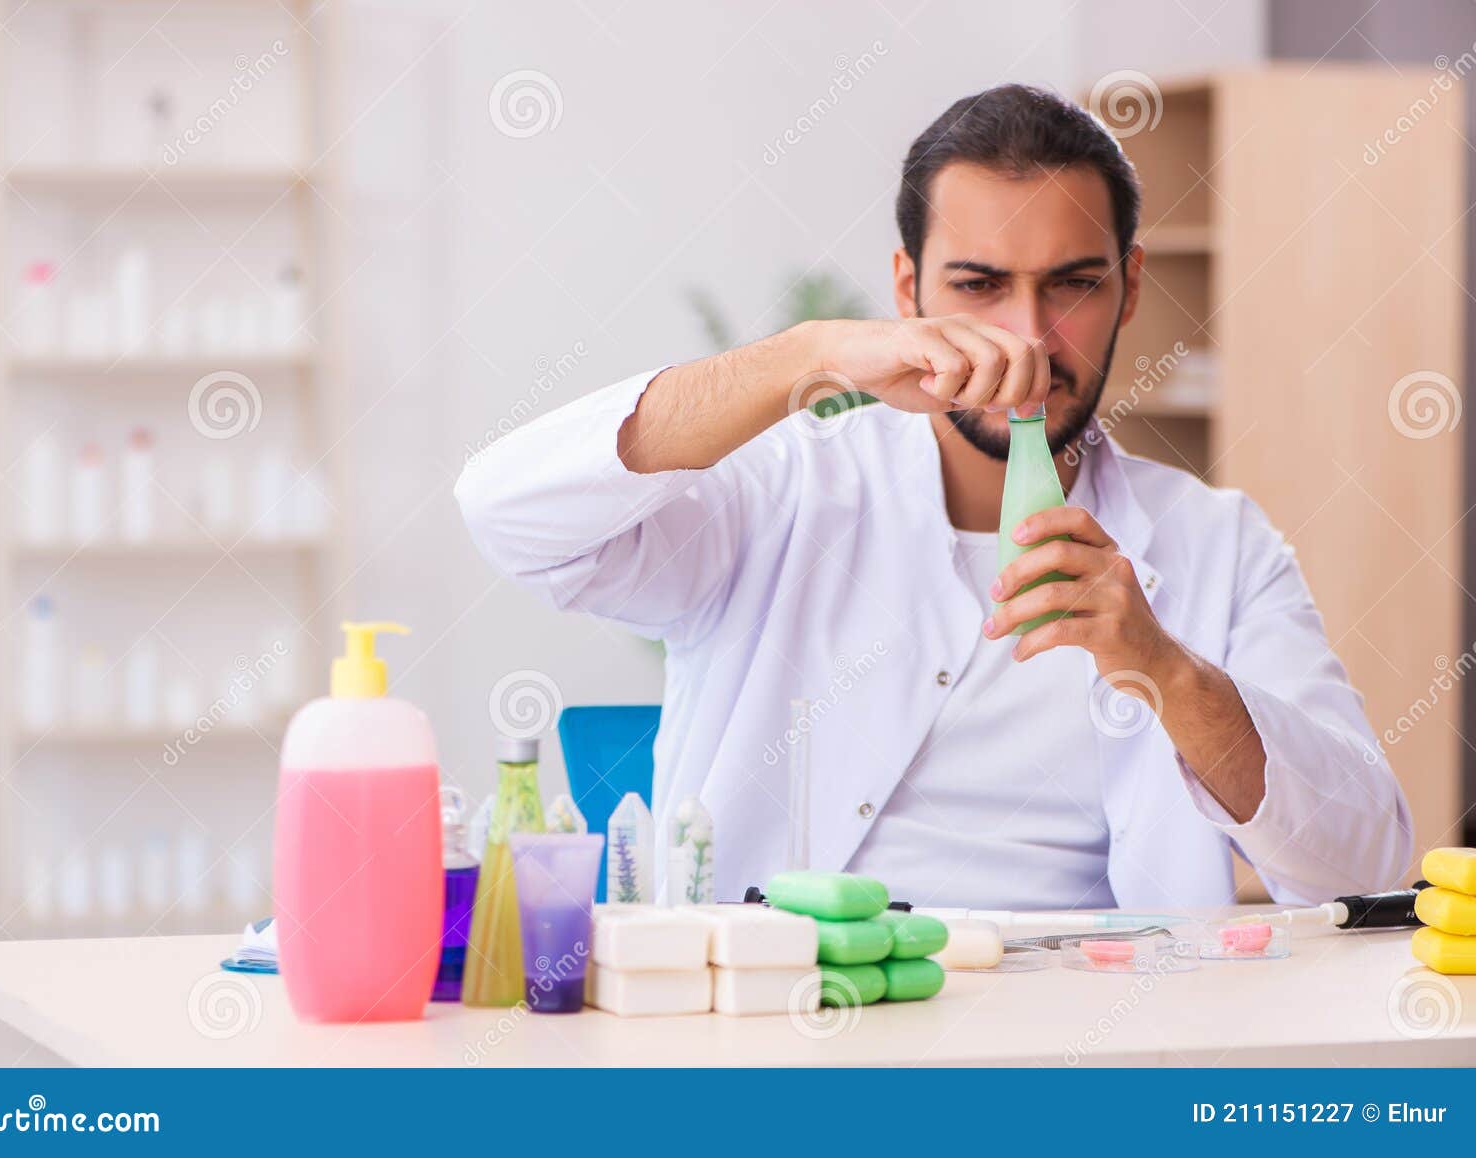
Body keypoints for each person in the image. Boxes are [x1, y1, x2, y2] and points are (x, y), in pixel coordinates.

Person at [455, 83, 1411, 909]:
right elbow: (509, 513)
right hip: (790, 1034)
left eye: (1073, 284)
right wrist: (810, 356)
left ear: (1128, 290)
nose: (1028, 337)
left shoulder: (1218, 546)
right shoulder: (784, 489)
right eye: (979, 285)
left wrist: (1162, 667)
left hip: (1087, 1050)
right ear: (906, 291)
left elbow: (1362, 863)